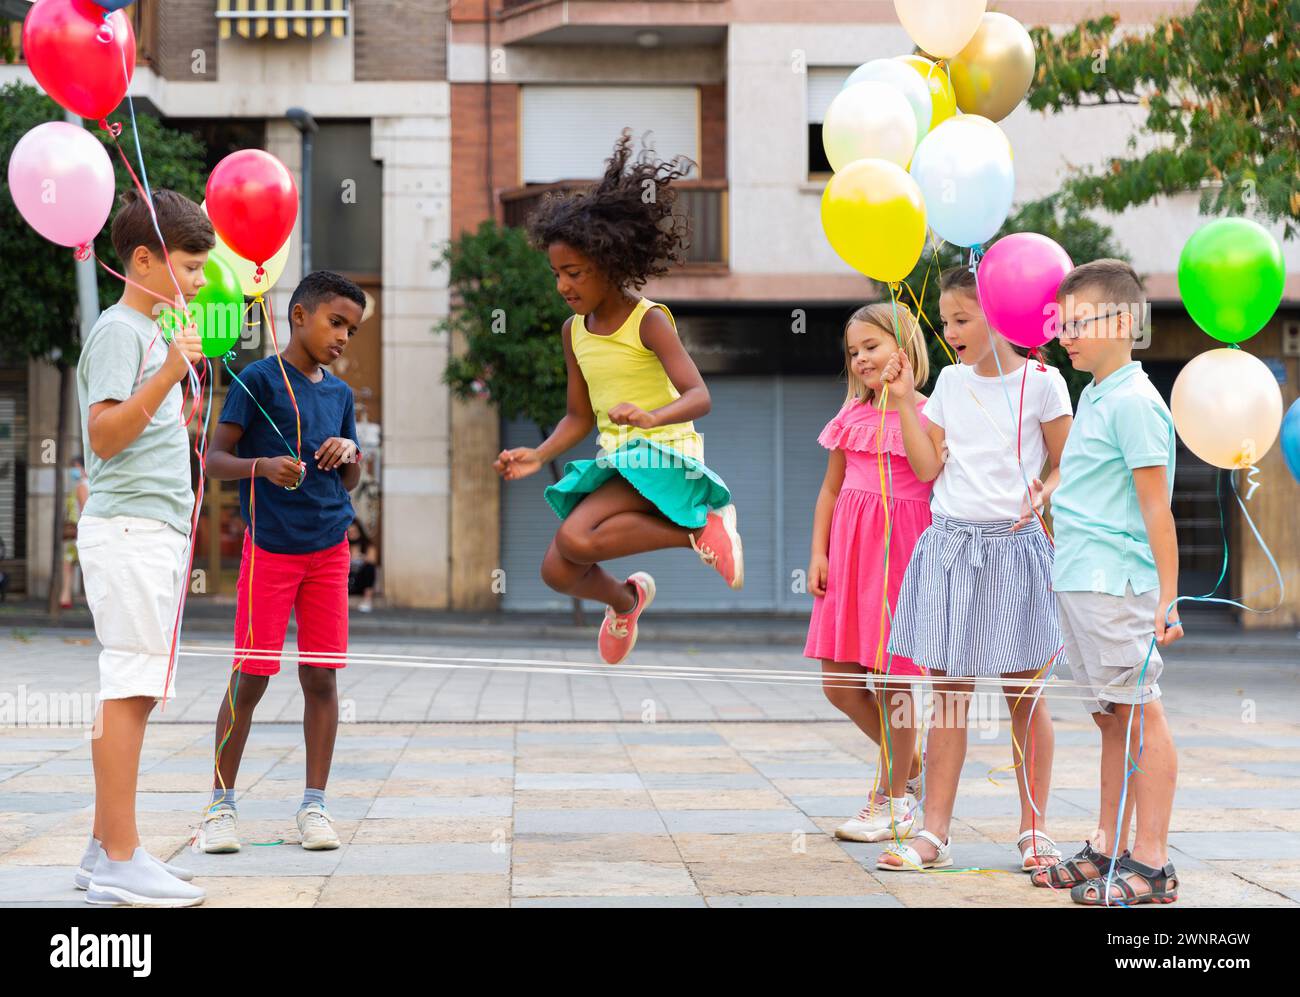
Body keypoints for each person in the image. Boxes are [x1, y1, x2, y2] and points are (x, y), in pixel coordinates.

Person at [494, 131, 743, 665]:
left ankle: (702, 527)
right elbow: (579, 416)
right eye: (557, 273)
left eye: (574, 272)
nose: (563, 284)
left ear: (608, 262)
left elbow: (700, 396)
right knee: (557, 569)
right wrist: (537, 455)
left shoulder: (648, 320)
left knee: (578, 538)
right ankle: (627, 601)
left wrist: (652, 416)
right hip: (621, 461)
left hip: (665, 452)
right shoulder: (574, 332)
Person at [877, 266, 1073, 873]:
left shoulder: (1045, 384)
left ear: (1001, 315)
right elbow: (925, 469)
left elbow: (1067, 463)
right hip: (953, 550)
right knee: (950, 699)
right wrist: (906, 398)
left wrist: (1045, 492)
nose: (950, 330)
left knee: (1025, 695)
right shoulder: (950, 388)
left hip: (1017, 551)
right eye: (945, 320)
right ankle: (934, 832)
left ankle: (1034, 830)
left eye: (962, 318)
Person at [73, 188, 212, 906]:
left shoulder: (149, 330)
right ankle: (122, 859)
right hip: (128, 532)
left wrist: (172, 393)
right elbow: (102, 436)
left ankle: (104, 849)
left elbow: (139, 432)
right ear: (144, 259)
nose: (197, 282)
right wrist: (166, 376)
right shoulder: (120, 331)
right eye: (189, 267)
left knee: (139, 689)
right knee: (128, 686)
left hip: (150, 530)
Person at [1032, 259, 1183, 905]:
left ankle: (1152, 863)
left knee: (1141, 713)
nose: (1066, 336)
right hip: (1081, 581)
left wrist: (1168, 596)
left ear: (1122, 322)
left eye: (1078, 323)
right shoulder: (1095, 393)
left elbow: (1155, 506)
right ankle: (1108, 844)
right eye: (1061, 324)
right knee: (1112, 719)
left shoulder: (1135, 403)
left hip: (1117, 585)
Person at [199, 271, 367, 854]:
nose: (344, 336)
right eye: (336, 321)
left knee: (320, 677)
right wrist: (263, 466)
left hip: (329, 550)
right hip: (270, 549)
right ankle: (221, 807)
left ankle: (314, 806)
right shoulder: (256, 379)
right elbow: (214, 458)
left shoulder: (339, 395)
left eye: (352, 328)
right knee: (250, 679)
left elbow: (351, 476)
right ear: (299, 315)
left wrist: (350, 453)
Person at [806, 302, 932, 843]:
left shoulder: (930, 413)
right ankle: (909, 759)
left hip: (903, 553)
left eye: (871, 347)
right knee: (839, 681)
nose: (860, 359)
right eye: (853, 352)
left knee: (894, 679)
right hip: (851, 554)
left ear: (904, 348)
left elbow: (930, 473)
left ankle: (893, 798)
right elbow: (831, 489)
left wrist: (902, 402)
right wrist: (818, 551)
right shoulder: (848, 417)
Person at [59, 455, 89, 608]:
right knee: (78, 563)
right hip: (83, 531)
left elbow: (84, 509)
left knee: (69, 563)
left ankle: (65, 596)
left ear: (81, 467)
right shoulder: (90, 483)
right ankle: (67, 597)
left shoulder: (82, 485)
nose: (72, 470)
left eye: (74, 466)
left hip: (79, 531)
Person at [347, 518, 377, 613]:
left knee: (370, 568)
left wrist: (361, 557)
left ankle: (367, 600)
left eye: (354, 532)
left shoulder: (368, 545)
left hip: (360, 581)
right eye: (350, 532)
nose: (352, 535)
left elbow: (372, 560)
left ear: (360, 531)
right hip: (347, 581)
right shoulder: (344, 546)